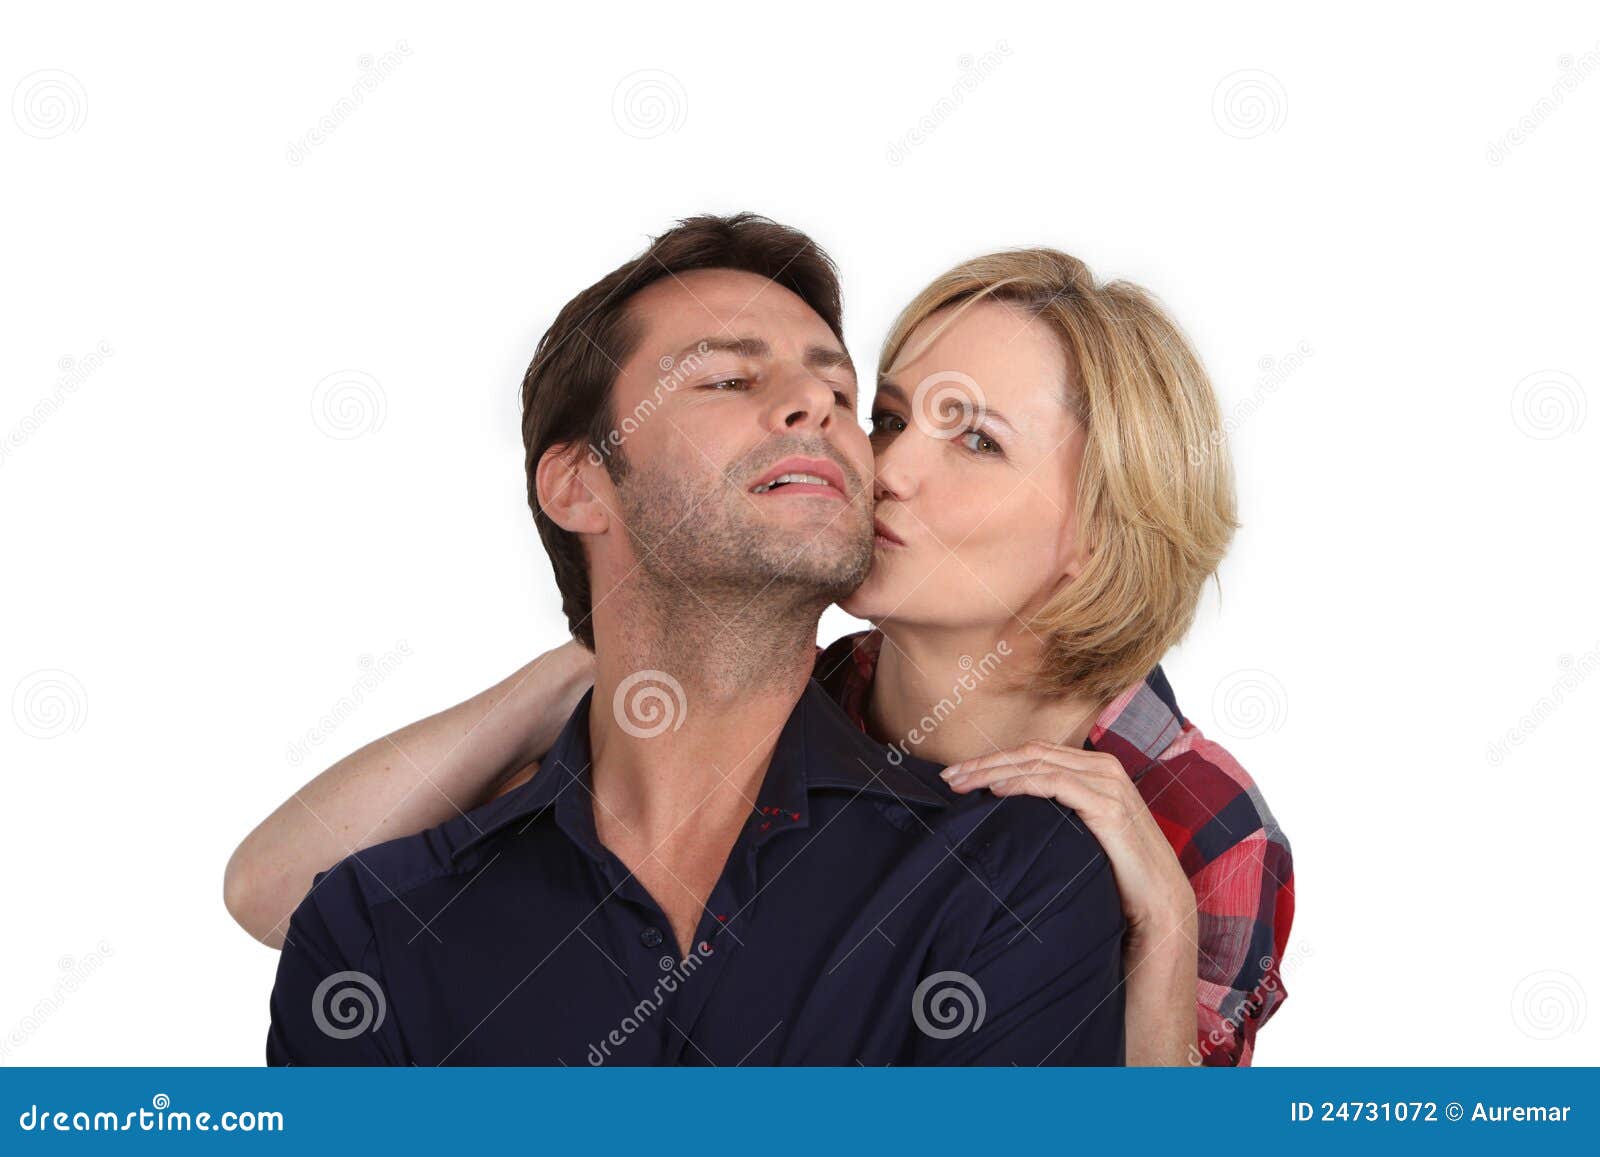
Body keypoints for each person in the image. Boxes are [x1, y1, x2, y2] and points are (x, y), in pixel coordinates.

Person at [261, 214, 1128, 1066]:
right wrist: (579, 666)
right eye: (727, 380)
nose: (818, 409)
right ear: (578, 484)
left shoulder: (1017, 879)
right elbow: (267, 890)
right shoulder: (373, 928)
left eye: (839, 393)